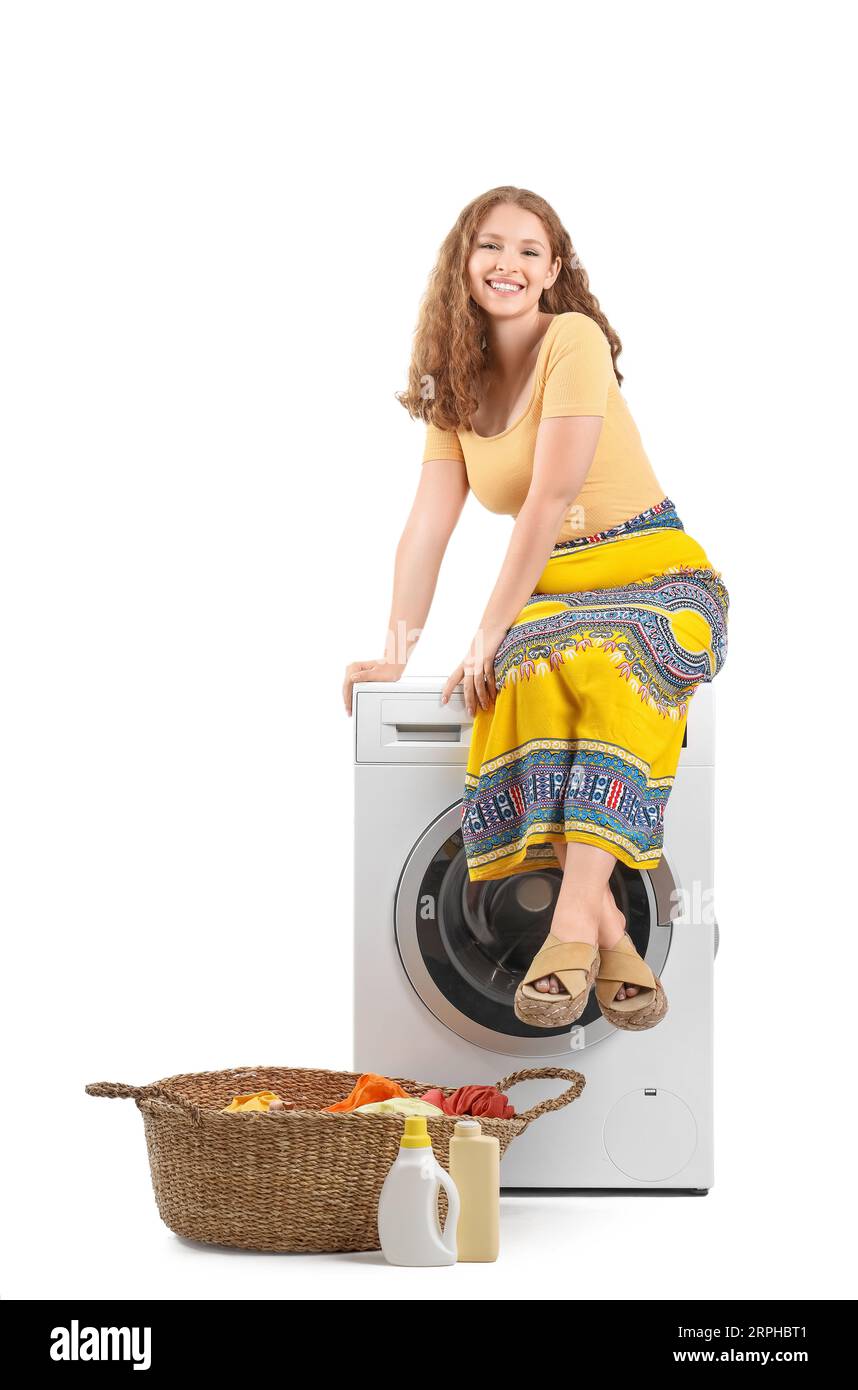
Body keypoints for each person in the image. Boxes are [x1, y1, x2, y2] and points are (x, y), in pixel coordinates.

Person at [343, 185, 729, 1033]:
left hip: (657, 576)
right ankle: (615, 935)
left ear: (555, 270)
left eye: (528, 250)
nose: (507, 265)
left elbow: (551, 500)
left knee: (603, 662)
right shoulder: (457, 382)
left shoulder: (574, 340)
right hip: (554, 592)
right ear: (463, 262)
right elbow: (427, 522)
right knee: (524, 672)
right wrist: (398, 651)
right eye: (490, 246)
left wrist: (483, 632)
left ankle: (563, 930)